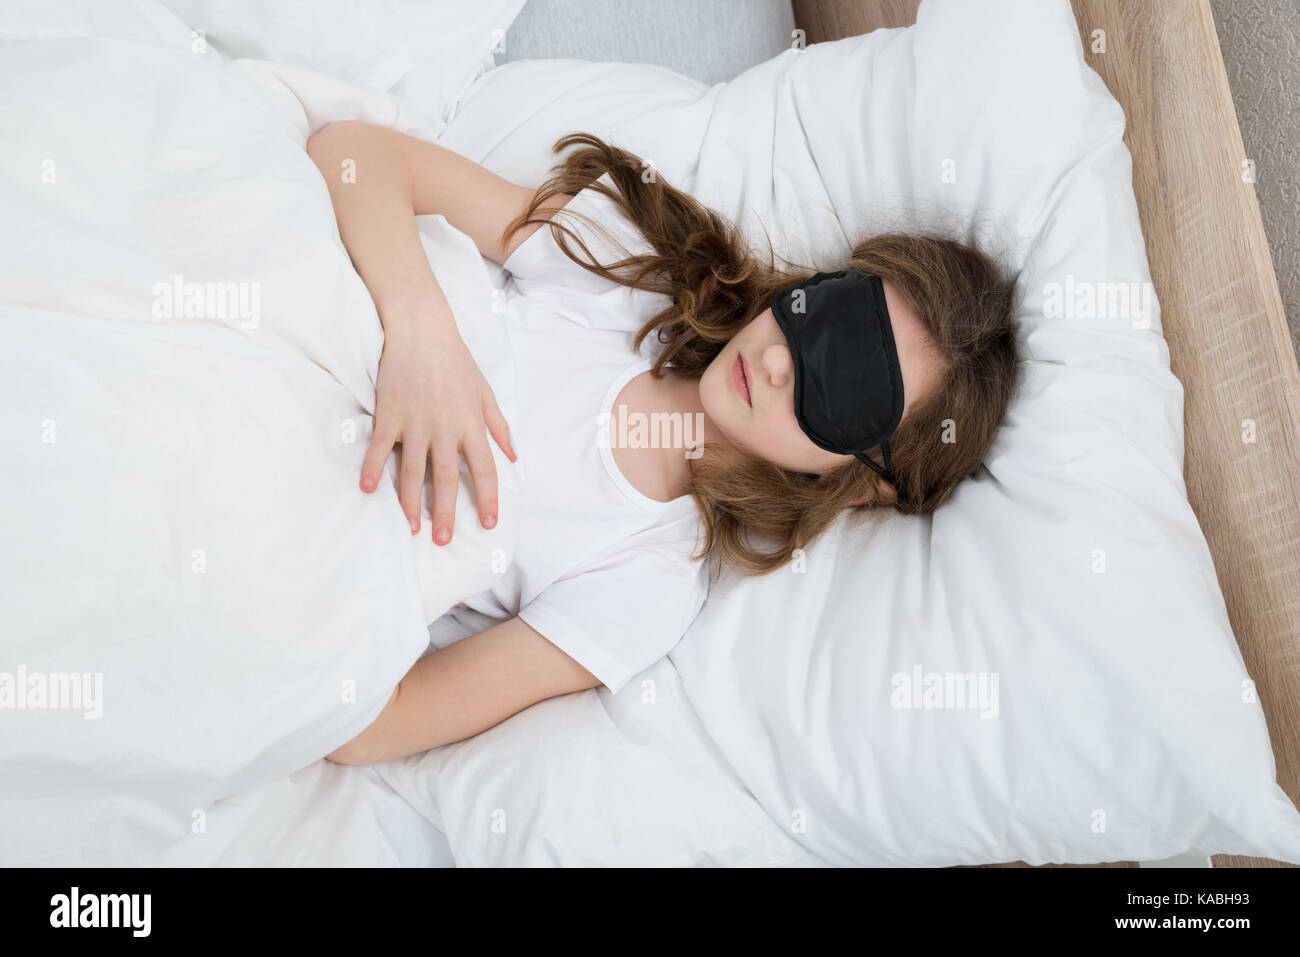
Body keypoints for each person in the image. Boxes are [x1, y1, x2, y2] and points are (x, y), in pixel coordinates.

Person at [305, 122, 1021, 765]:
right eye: (824, 315)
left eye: (840, 390)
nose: (777, 362)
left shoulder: (644, 583)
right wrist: (424, 336)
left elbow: (374, 724)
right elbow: (354, 155)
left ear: (864, 483)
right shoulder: (625, 270)